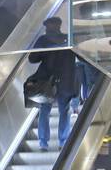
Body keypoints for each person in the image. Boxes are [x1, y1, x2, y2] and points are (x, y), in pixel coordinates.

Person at [26, 16, 79, 151]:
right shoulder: (68, 39)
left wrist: (45, 50)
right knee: (64, 111)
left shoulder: (43, 40)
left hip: (47, 82)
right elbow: (80, 57)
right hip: (64, 81)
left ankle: (44, 143)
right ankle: (62, 142)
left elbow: (32, 59)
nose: (48, 28)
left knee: (45, 111)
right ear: (60, 25)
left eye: (48, 25)